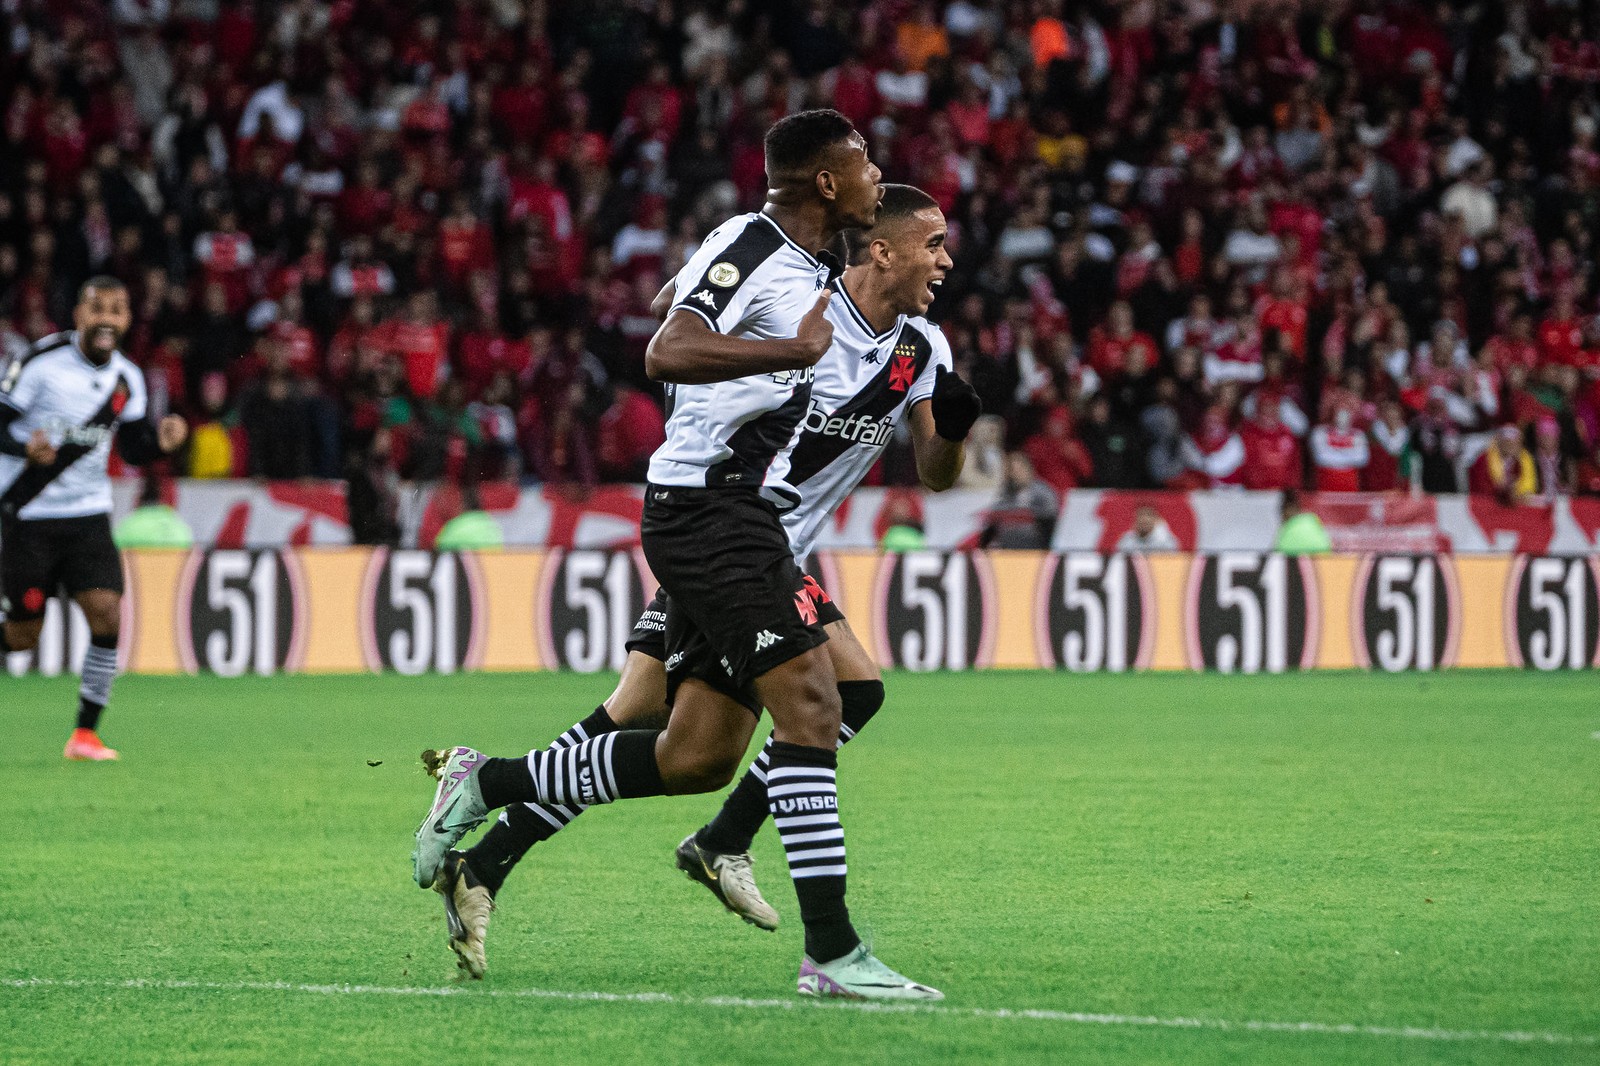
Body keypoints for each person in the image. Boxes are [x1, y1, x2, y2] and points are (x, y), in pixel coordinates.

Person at [412, 116, 950, 1001]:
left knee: (692, 751)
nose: (877, 175)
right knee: (819, 704)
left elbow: (682, 301)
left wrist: (707, 293)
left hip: (743, 521)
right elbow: (667, 345)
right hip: (714, 509)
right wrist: (788, 350)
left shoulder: (801, 265)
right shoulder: (759, 244)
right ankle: (832, 952)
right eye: (865, 166)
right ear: (827, 183)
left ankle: (492, 790)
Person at [0, 277, 188, 760]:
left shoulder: (128, 378)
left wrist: (160, 443)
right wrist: (24, 448)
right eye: (97, 309)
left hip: (87, 515)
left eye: (117, 310)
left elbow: (132, 447)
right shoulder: (40, 363)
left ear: (127, 320)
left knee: (106, 612)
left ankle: (84, 735)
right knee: (22, 637)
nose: (107, 319)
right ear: (79, 315)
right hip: (29, 513)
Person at [1274, 490, 1331, 555]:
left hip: (1294, 562)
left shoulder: (1287, 529)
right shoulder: (1312, 519)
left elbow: (1278, 554)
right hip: (1324, 561)